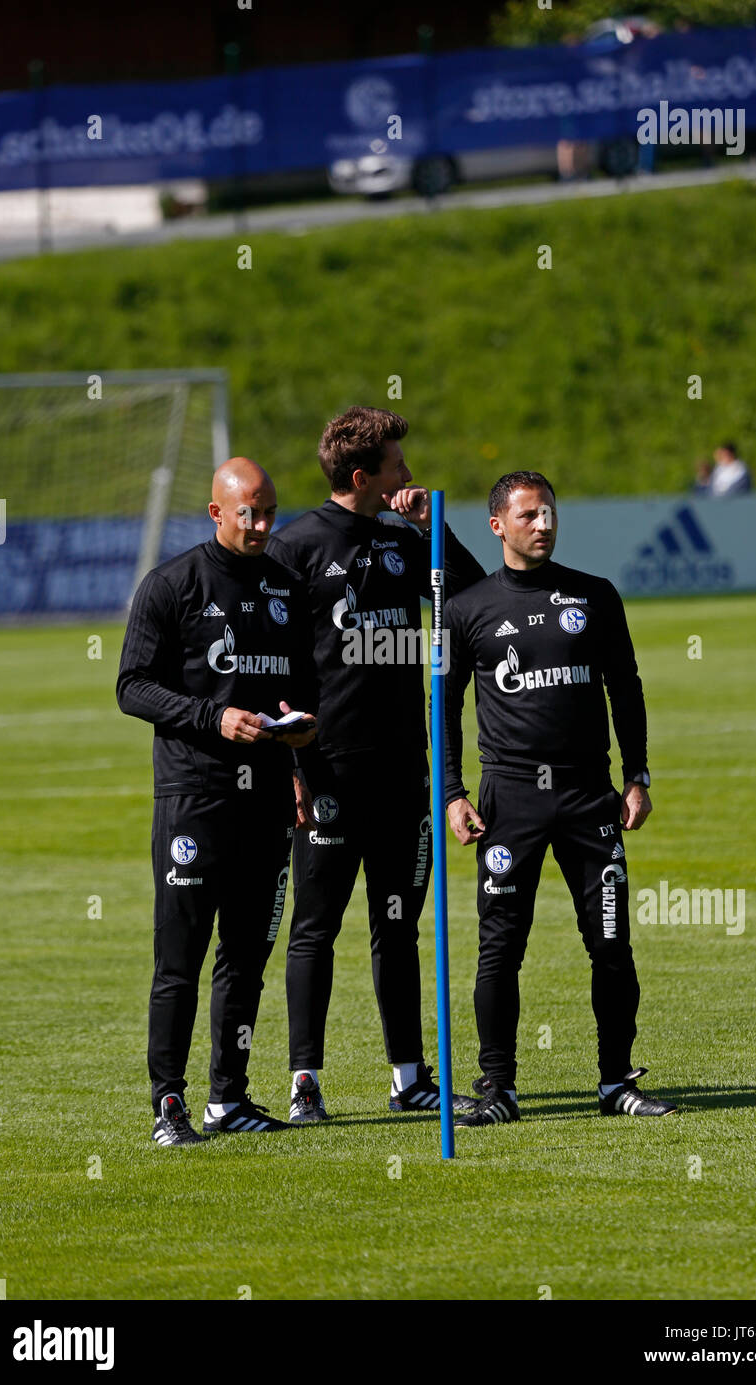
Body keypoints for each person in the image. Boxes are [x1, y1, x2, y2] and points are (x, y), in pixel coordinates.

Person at [265, 406, 485, 1121]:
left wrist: (431, 529)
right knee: (315, 928)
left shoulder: (402, 535)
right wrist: (293, 771)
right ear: (362, 476)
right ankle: (305, 1082)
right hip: (327, 771)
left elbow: (477, 599)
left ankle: (409, 1078)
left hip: (404, 772)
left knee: (398, 926)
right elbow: (274, 667)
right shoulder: (294, 548)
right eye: (398, 466)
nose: (410, 476)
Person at [443, 470, 676, 1126]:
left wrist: (638, 776)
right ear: (498, 526)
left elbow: (625, 687)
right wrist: (454, 793)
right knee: (500, 949)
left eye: (548, 513)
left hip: (587, 802)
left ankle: (615, 1083)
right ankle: (500, 1089)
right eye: (527, 516)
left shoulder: (595, 596)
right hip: (508, 804)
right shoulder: (468, 610)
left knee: (610, 943)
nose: (541, 525)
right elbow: (446, 706)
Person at [117, 457, 317, 1146]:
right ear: (216, 512)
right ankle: (167, 1104)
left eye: (269, 511)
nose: (262, 525)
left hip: (264, 798)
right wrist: (212, 718)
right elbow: (132, 686)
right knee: (181, 958)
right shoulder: (171, 585)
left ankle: (227, 1098)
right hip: (194, 799)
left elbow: (301, 684)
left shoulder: (288, 588)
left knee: (245, 956)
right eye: (248, 513)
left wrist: (300, 741)